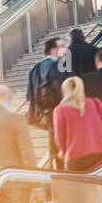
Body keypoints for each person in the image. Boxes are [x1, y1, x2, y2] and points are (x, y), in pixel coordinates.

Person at [53, 77, 102, 172]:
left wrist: (64, 152)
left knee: (76, 186)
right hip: (101, 155)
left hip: (76, 159)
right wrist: (98, 132)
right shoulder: (94, 102)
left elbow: (59, 137)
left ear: (64, 91)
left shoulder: (60, 110)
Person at [26, 37, 68, 166]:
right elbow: (62, 89)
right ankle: (58, 171)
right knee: (58, 142)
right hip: (56, 109)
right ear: (53, 50)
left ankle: (53, 167)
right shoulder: (56, 66)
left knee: (53, 141)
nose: (65, 48)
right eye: (62, 46)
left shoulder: (34, 69)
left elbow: (29, 95)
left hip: (42, 112)